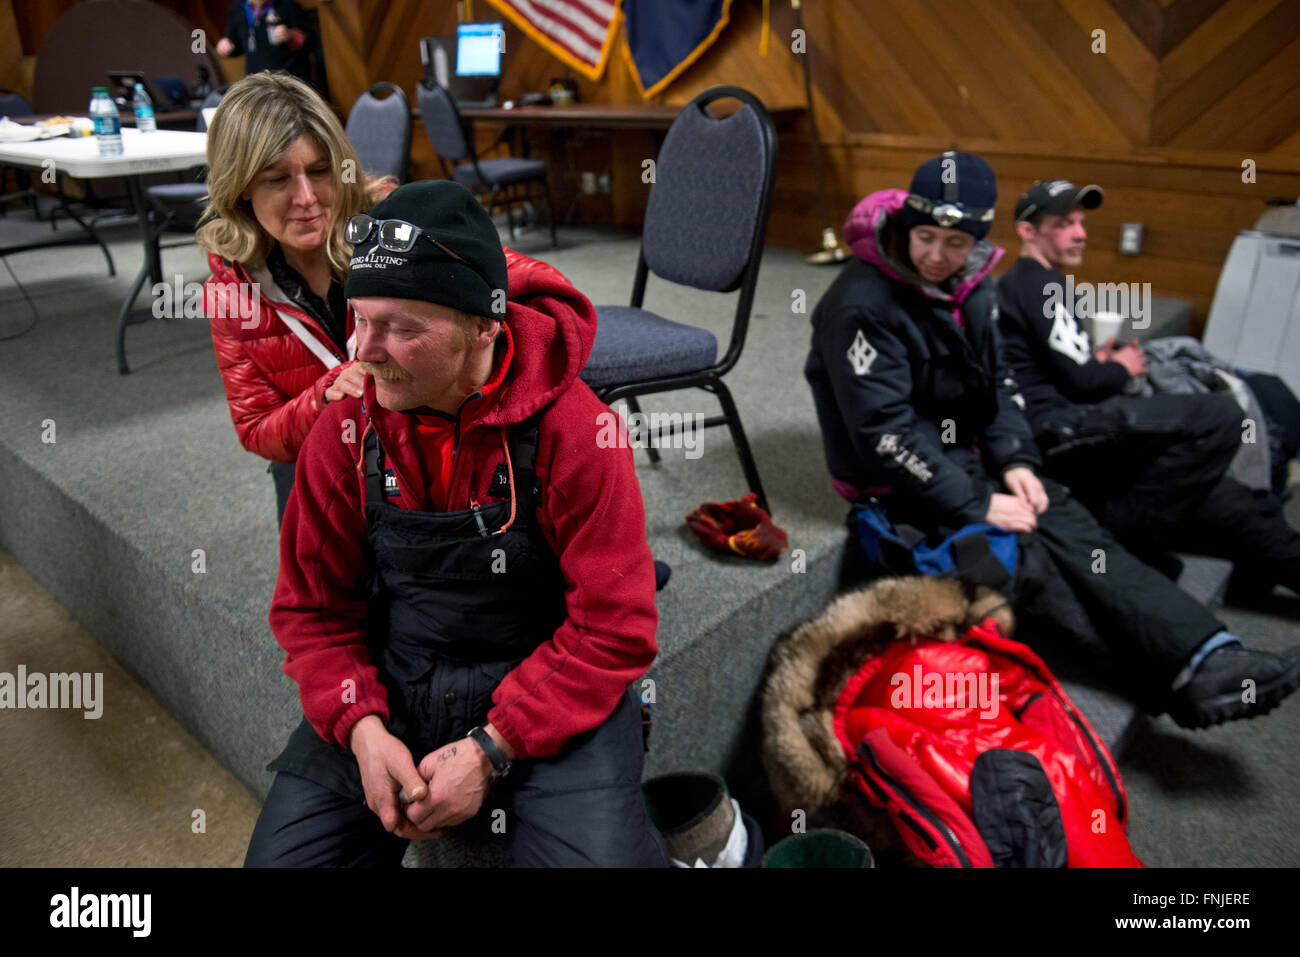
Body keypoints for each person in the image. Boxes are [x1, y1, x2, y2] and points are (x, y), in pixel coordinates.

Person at [243, 180, 668, 867]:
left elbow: (614, 626)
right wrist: (361, 726)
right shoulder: (344, 429)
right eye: (361, 318)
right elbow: (312, 608)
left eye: (402, 328)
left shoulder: (580, 431)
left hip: (545, 675)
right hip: (399, 671)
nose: (366, 351)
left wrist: (493, 746)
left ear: (484, 327)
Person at [804, 151, 1300, 730]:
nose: (938, 256)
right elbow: (882, 435)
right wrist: (977, 500)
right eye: (926, 237)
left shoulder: (973, 287)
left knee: (1058, 510)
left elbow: (1000, 389)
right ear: (906, 225)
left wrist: (1016, 461)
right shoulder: (861, 305)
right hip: (892, 480)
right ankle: (1184, 677)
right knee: (1028, 555)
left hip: (965, 454)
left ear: (977, 241)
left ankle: (1208, 657)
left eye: (956, 244)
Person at [199, 72, 562, 526]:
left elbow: (512, 276)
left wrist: (554, 316)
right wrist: (324, 397)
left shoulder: (390, 217)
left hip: (425, 426)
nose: (307, 198)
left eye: (318, 171)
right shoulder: (230, 291)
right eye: (277, 180)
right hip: (322, 443)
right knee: (320, 569)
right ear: (241, 188)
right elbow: (257, 431)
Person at [997, 180, 1300, 603]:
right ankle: (1131, 540)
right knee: (1219, 416)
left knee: (1231, 501)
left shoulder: (1042, 285)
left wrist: (1103, 364)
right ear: (1028, 232)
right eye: (1065, 224)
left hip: (1080, 417)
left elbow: (1072, 369)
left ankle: (1243, 573)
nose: (1081, 233)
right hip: (1057, 428)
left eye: (1081, 223)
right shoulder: (1038, 282)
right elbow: (1085, 383)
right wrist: (1121, 368)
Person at [214, 0, 315, 85]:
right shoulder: (237, 9)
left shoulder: (287, 4)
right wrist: (226, 46)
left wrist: (289, 35)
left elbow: (311, 39)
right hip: (257, 80)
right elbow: (236, 43)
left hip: (289, 79)